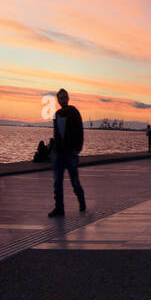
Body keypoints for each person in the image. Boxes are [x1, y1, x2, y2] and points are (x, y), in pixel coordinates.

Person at [48, 88, 86, 217]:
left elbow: (80, 131)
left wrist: (78, 148)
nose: (62, 100)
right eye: (60, 98)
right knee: (57, 182)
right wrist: (53, 149)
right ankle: (59, 208)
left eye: (64, 97)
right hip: (59, 153)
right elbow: (56, 133)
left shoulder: (74, 112)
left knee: (74, 181)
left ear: (68, 98)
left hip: (71, 153)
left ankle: (81, 201)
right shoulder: (57, 114)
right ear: (58, 100)